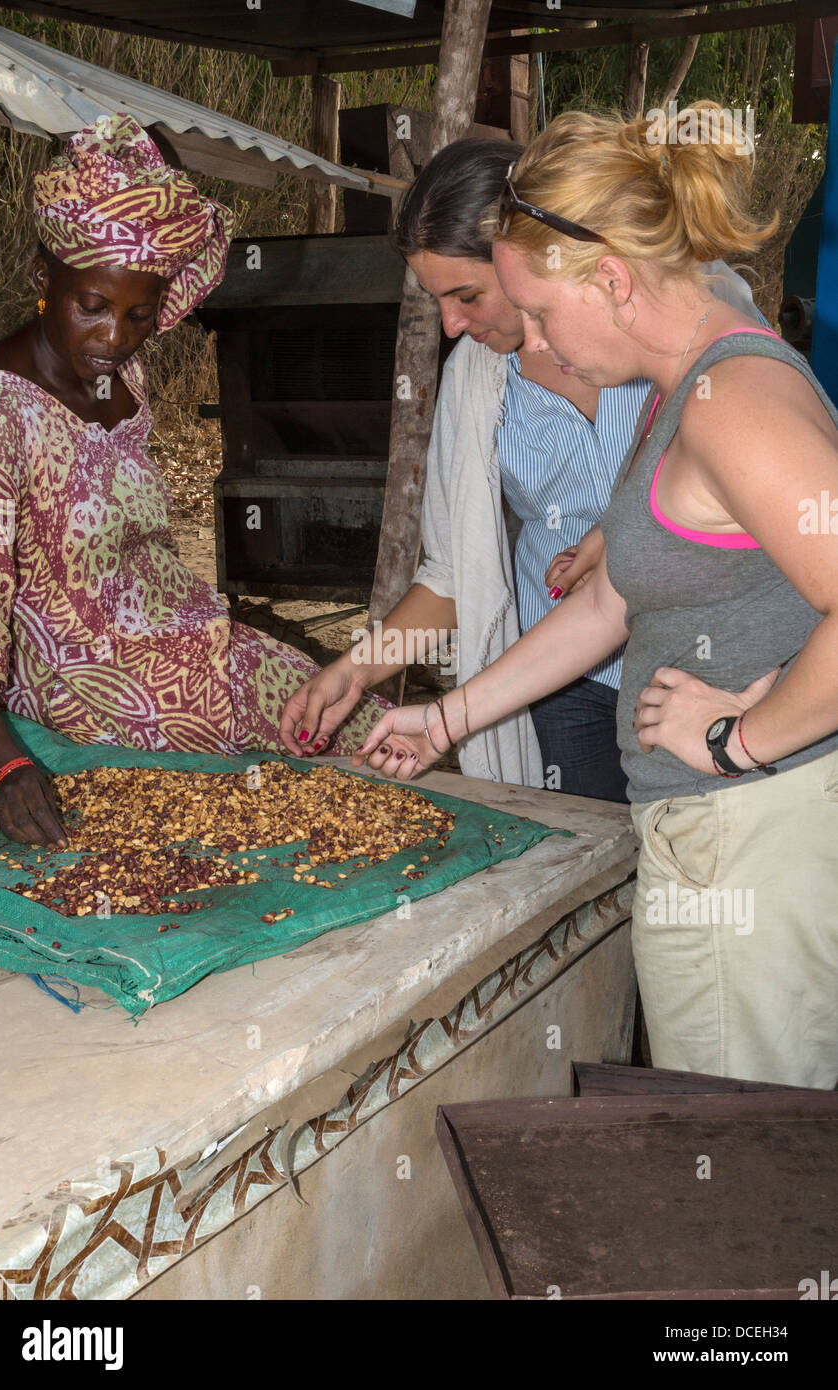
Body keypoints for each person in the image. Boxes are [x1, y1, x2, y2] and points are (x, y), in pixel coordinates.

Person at [352, 103, 838, 1090]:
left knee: (739, 1167)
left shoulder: (729, 400)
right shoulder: (685, 386)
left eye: (534, 313)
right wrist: (444, 712)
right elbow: (601, 608)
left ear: (608, 280)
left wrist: (736, 737)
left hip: (745, 844)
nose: (524, 340)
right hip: (721, 837)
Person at [280, 138, 765, 802]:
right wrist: (357, 673)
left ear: (530, 263)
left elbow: (768, 522)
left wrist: (747, 733)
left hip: (707, 669)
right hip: (561, 676)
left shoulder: (703, 337)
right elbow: (478, 574)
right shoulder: (479, 380)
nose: (451, 326)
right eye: (437, 302)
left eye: (469, 295)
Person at [0, 114, 388, 849]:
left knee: (363, 730)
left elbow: (174, 266)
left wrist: (147, 171)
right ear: (44, 278)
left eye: (139, 314)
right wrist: (7, 767)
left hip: (196, 643)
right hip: (92, 692)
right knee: (276, 821)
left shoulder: (119, 367)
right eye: (92, 307)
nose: (116, 337)